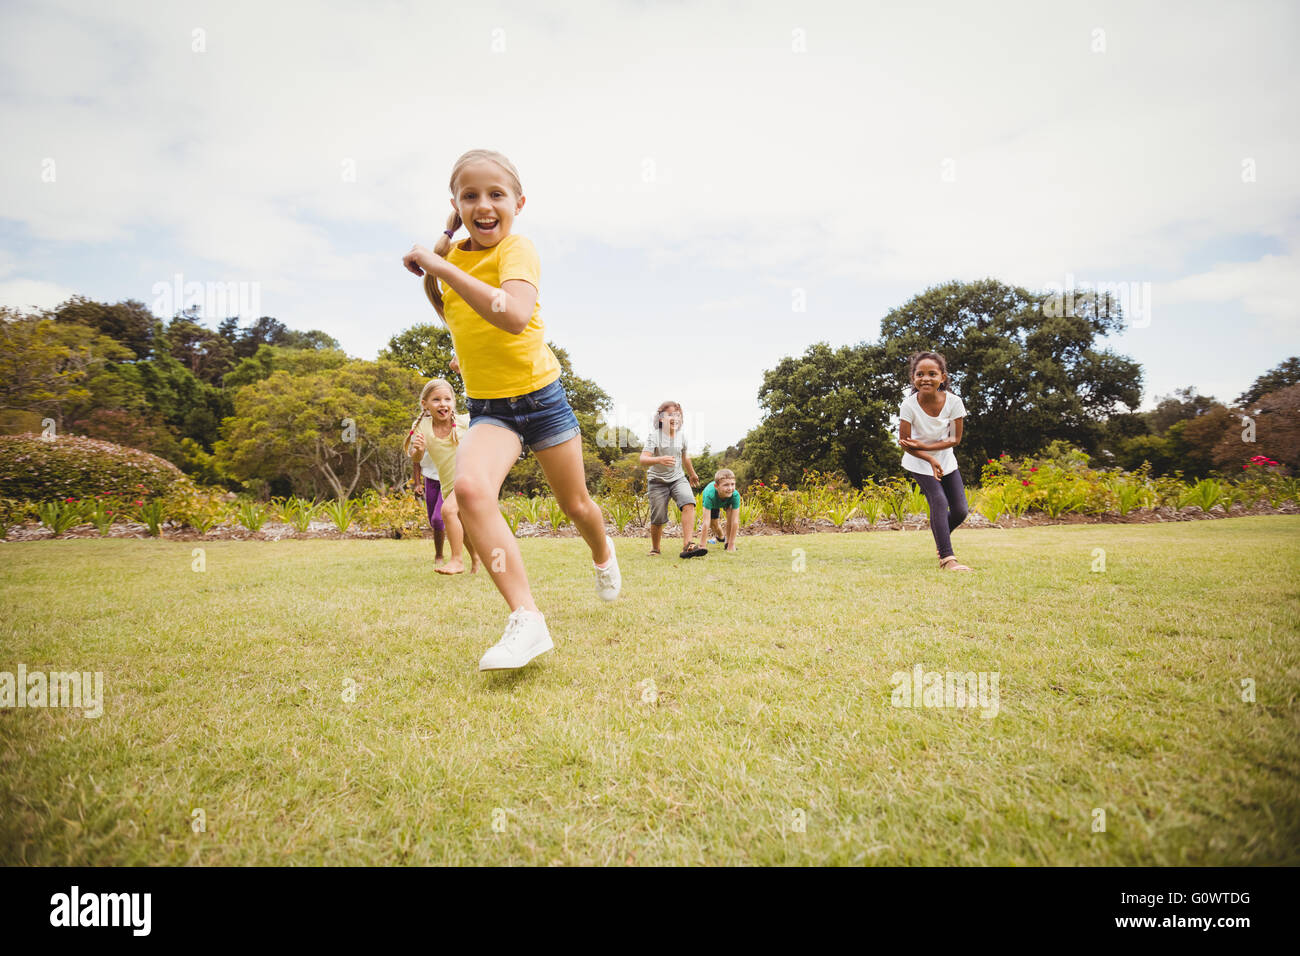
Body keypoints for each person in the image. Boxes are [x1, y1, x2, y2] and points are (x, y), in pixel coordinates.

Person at [402, 149, 621, 671]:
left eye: (496, 194)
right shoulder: (452, 263)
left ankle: (603, 554)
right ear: (455, 205)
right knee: (471, 491)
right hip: (491, 409)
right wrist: (440, 249)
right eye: (470, 196)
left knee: (577, 507)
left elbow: (515, 314)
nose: (484, 205)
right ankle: (527, 619)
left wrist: (437, 259)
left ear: (518, 203)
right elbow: (445, 301)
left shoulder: (518, 249)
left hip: (542, 400)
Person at [898, 350, 972, 571]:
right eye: (920, 374)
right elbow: (905, 443)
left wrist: (929, 448)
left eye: (932, 373)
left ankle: (941, 537)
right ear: (913, 378)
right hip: (918, 461)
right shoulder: (908, 406)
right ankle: (947, 559)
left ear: (943, 377)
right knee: (938, 501)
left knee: (960, 510)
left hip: (946, 459)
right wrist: (928, 457)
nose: (926, 378)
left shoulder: (954, 402)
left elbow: (955, 439)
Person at [405, 377, 479, 575]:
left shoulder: (466, 421)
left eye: (447, 399)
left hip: (471, 476)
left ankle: (456, 561)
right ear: (425, 404)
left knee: (447, 512)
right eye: (436, 400)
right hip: (448, 483)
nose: (443, 404)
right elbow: (417, 457)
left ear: (454, 402)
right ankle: (476, 559)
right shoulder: (422, 426)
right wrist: (418, 450)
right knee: (461, 525)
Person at [639, 401, 704, 558]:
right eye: (670, 414)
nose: (675, 417)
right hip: (657, 481)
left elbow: (684, 457)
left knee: (688, 502)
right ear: (661, 418)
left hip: (678, 478)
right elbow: (643, 459)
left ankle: (688, 545)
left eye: (677, 415)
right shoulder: (654, 436)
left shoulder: (682, 437)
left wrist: (692, 474)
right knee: (658, 517)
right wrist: (659, 459)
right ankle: (655, 548)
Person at [693, 468, 740, 553]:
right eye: (726, 485)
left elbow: (735, 522)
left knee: (730, 519)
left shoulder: (735, 495)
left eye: (732, 484)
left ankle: (728, 543)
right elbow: (705, 522)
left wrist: (731, 545)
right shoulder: (709, 494)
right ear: (716, 486)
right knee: (713, 523)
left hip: (727, 501)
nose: (730, 488)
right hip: (714, 502)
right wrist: (702, 546)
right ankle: (721, 537)